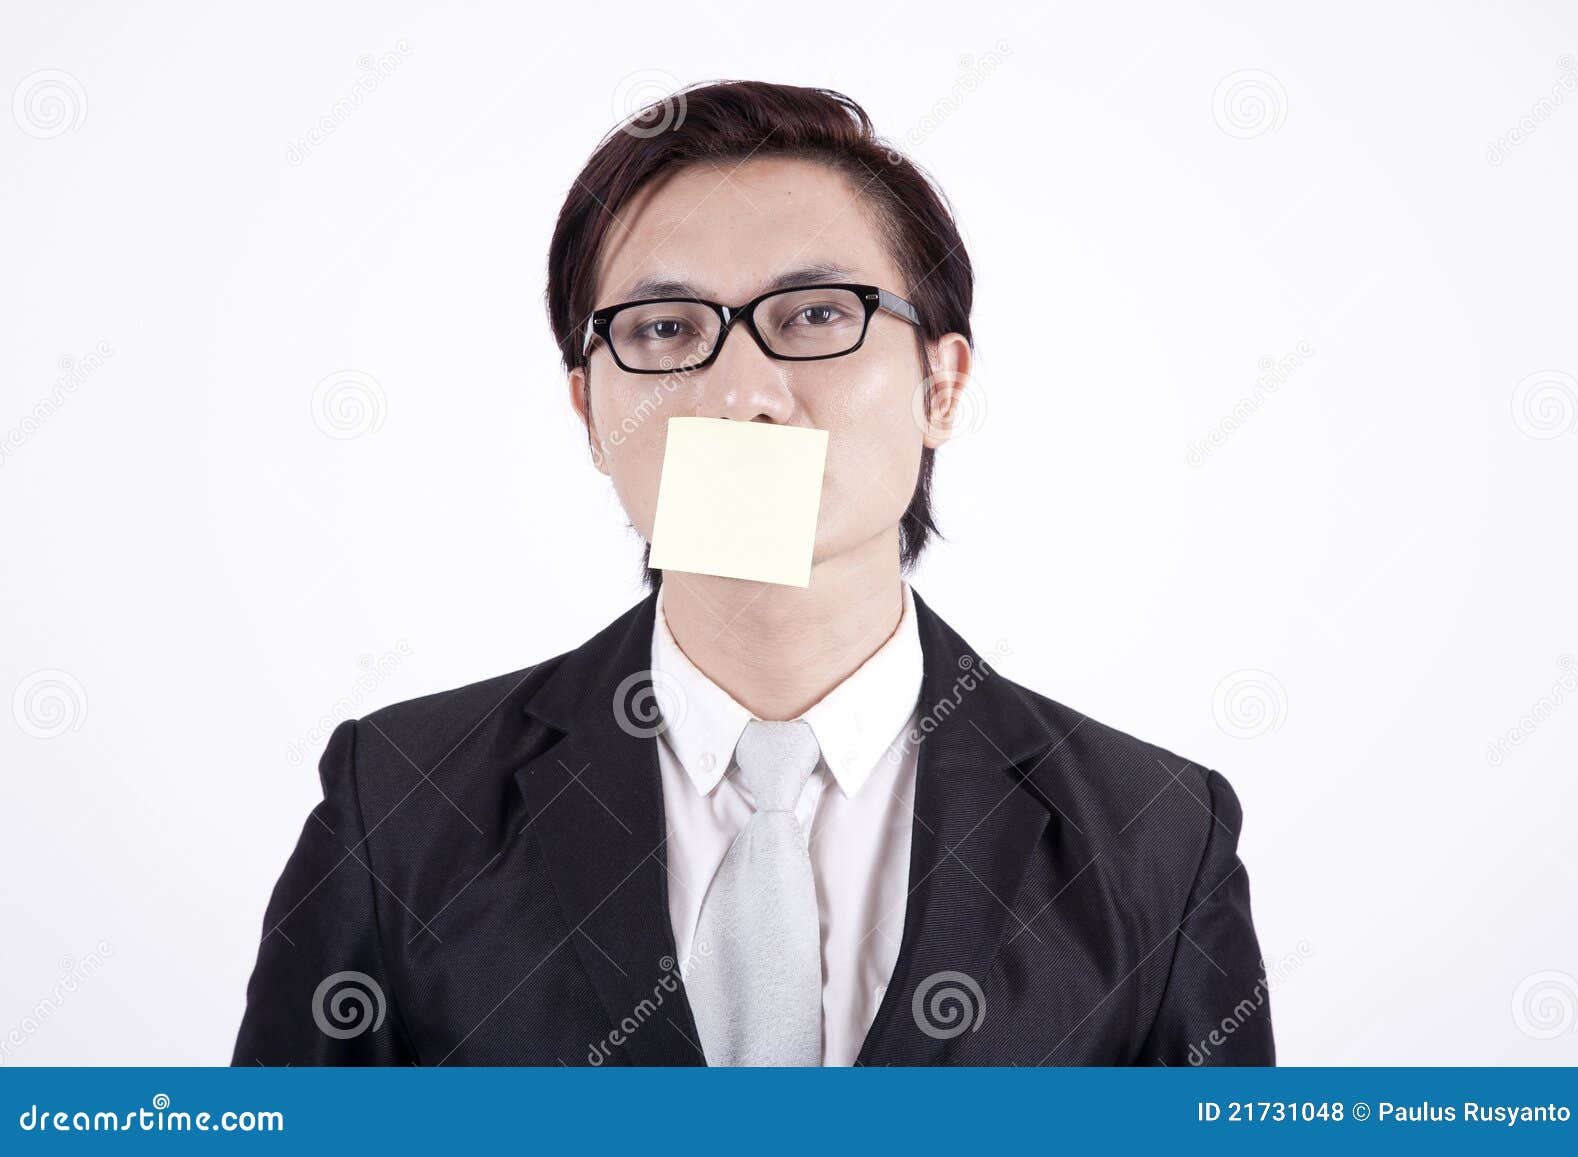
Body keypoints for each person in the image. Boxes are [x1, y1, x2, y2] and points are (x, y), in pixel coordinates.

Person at [233, 80, 1274, 1067]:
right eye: (665, 329)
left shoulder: (1157, 840)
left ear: (941, 384)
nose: (742, 395)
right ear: (590, 411)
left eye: (816, 313)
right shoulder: (401, 808)